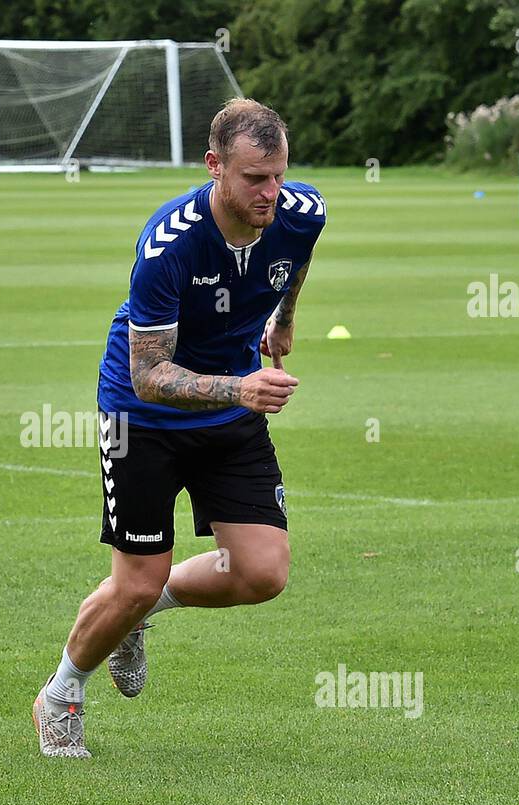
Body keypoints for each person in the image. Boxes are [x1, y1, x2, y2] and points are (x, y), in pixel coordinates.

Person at [33, 99, 328, 757]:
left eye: (279, 175)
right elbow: (150, 375)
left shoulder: (302, 211)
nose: (270, 193)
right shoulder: (168, 243)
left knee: (262, 573)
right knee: (132, 579)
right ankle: (59, 697)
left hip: (230, 412)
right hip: (143, 417)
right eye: (255, 179)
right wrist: (244, 386)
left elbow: (294, 258)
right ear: (215, 167)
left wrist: (283, 319)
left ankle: (139, 614)